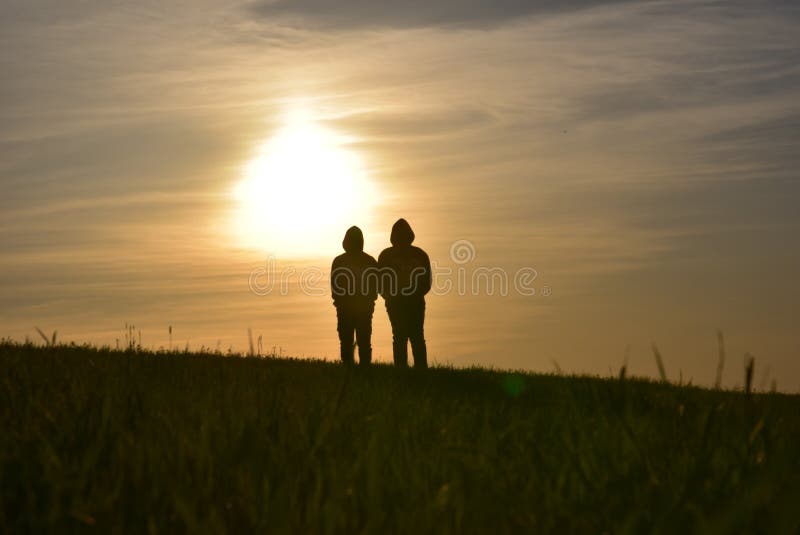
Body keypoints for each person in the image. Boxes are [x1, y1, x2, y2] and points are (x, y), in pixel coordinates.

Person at [378, 218, 431, 368]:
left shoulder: (388, 255)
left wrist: (413, 294)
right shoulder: (419, 254)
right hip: (400, 302)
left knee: (410, 336)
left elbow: (426, 282)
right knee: (408, 336)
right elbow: (379, 281)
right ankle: (411, 369)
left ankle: (414, 369)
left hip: (412, 301)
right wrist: (389, 296)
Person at [331, 226, 378, 365]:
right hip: (351, 308)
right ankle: (359, 367)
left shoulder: (339, 261)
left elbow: (335, 286)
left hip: (357, 308)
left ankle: (354, 367)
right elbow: (335, 286)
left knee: (353, 341)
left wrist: (369, 301)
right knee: (357, 341)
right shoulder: (369, 261)